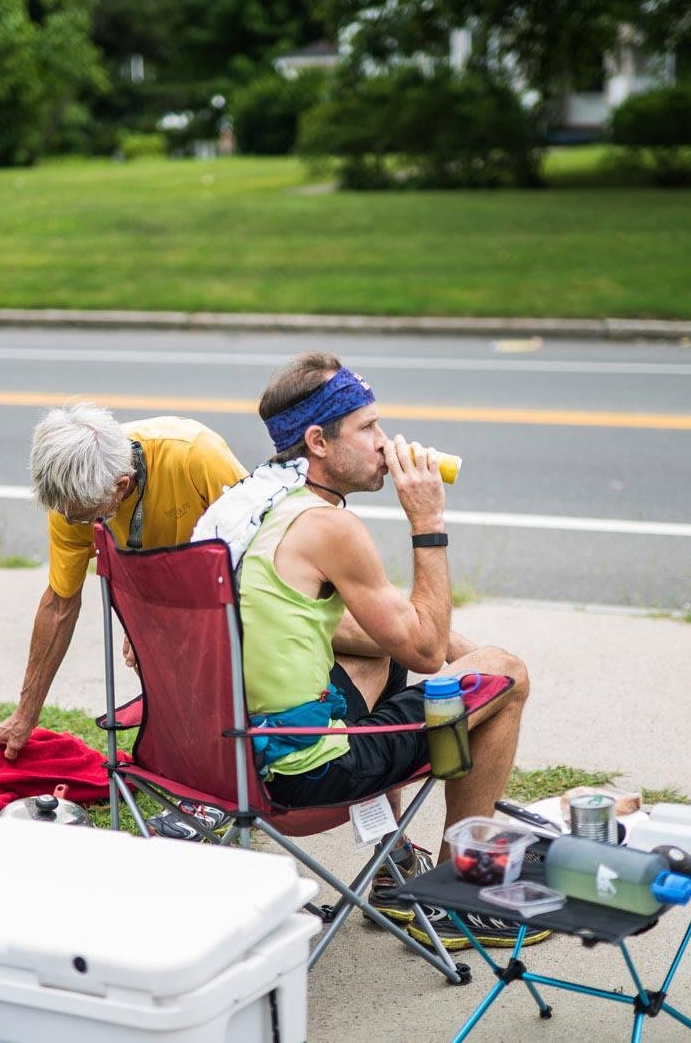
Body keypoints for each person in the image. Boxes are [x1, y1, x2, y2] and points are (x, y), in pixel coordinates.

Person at [217, 351, 543, 951]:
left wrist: (462, 652)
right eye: (367, 428)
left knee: (384, 655)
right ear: (318, 441)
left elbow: (365, 635)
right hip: (307, 769)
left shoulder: (248, 505)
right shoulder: (329, 526)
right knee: (511, 676)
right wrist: (427, 522)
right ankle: (458, 895)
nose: (384, 443)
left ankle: (393, 871)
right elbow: (421, 648)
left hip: (228, 749)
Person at [0, 403, 247, 759]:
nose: (70, 522)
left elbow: (262, 550)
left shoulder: (196, 454)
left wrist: (174, 616)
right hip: (170, 580)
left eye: (83, 517)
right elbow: (60, 606)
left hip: (239, 580)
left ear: (121, 486)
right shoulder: (71, 502)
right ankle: (197, 758)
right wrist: (25, 716)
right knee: (148, 650)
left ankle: (240, 751)